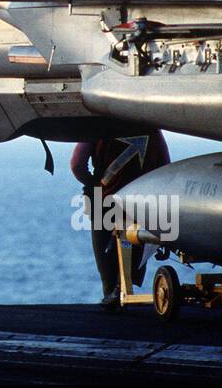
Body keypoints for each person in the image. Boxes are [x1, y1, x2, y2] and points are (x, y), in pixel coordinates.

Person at [71, 130, 170, 309]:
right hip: (142, 201)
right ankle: (122, 290)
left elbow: (77, 164)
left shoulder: (96, 125)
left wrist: (94, 183)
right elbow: (165, 167)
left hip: (104, 200)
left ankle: (112, 294)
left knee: (106, 261)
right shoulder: (151, 128)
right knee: (134, 248)